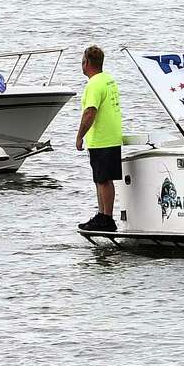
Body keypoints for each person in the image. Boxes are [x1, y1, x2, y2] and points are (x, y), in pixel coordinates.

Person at [76, 45, 123, 233]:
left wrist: (80, 136)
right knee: (100, 179)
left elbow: (90, 112)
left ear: (86, 63)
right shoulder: (108, 80)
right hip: (109, 136)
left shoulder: (94, 84)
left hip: (103, 138)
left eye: (82, 62)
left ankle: (107, 218)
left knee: (103, 180)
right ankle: (102, 215)